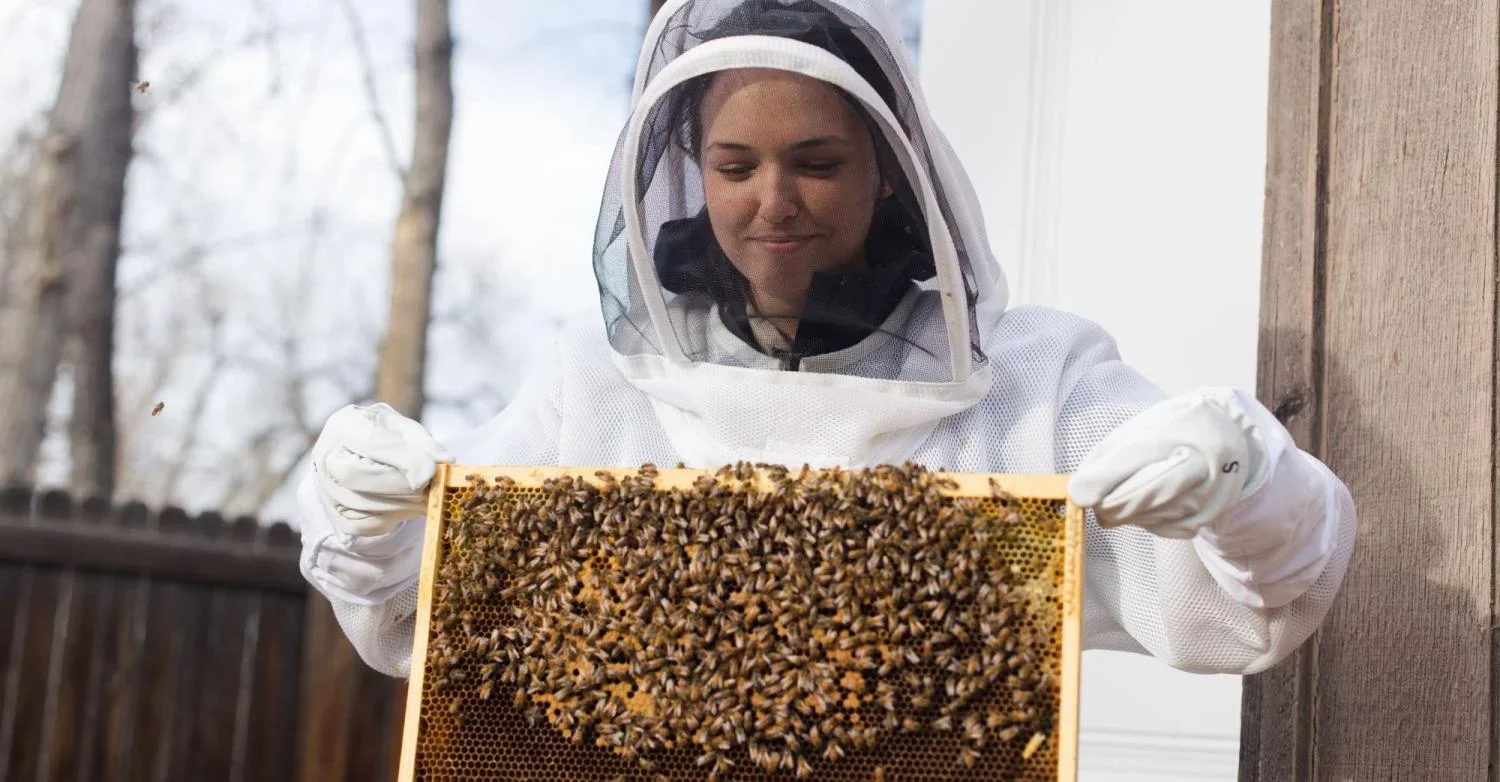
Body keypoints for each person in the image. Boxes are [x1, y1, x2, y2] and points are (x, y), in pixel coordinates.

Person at [297, 0, 1355, 680]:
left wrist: (1246, 481)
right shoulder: (598, 387)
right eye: (735, 163)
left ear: (889, 164)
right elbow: (416, 614)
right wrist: (366, 511)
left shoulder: (1023, 387)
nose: (773, 201)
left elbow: (1254, 602)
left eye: (816, 160)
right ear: (688, 167)